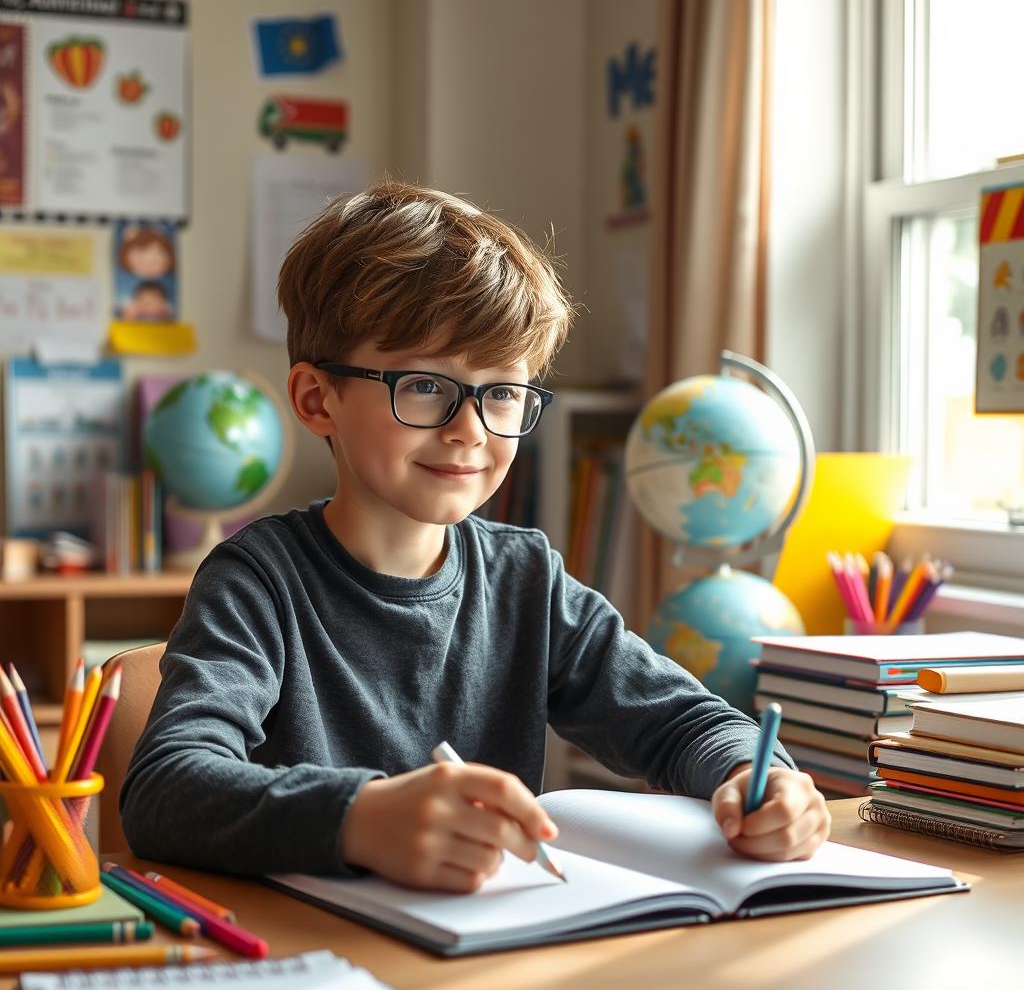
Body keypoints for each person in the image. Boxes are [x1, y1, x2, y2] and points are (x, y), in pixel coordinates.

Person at [121, 180, 829, 891]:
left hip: (483, 955)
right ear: (317, 399)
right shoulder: (257, 580)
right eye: (426, 385)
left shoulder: (526, 580)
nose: (470, 429)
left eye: (502, 394)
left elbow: (684, 722)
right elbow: (166, 789)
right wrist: (360, 818)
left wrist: (757, 776)